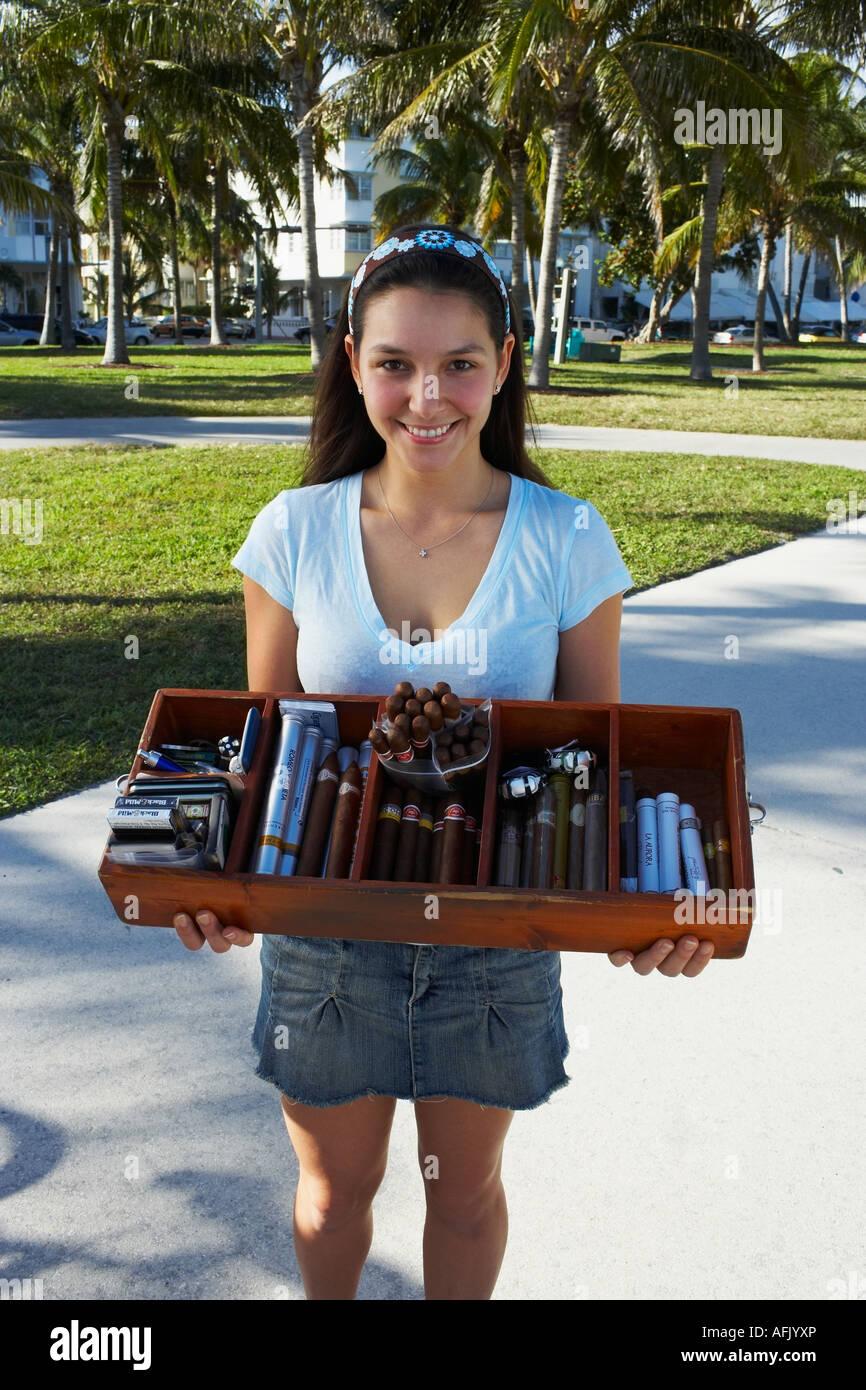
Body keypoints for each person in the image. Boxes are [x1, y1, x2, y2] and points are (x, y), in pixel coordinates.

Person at [172, 223, 715, 1300]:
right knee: (334, 1196)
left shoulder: (567, 538)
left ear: (504, 361)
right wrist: (216, 888)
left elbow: (591, 757)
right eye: (394, 364)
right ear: (351, 362)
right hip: (326, 944)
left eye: (459, 364)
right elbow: (267, 747)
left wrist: (652, 915)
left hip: (493, 945)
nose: (427, 398)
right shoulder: (290, 532)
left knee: (463, 1199)